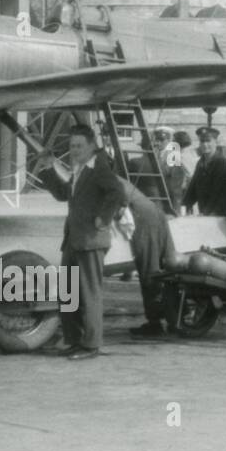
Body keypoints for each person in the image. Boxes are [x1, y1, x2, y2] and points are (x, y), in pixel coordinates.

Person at [35, 124, 127, 360]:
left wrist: (103, 219)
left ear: (91, 146)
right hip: (74, 240)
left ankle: (91, 345)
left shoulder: (99, 168)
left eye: (79, 146)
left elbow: (117, 192)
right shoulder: (81, 169)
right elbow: (63, 194)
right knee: (68, 293)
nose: (74, 150)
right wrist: (47, 170)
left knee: (89, 293)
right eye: (72, 146)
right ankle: (73, 339)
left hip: (90, 240)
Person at [119, 178, 178, 339]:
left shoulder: (98, 176)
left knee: (150, 272)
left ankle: (156, 323)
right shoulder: (107, 176)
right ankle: (175, 318)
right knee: (165, 269)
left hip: (145, 219)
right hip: (153, 213)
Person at [181, 126, 226, 216]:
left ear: (216, 142)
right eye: (202, 141)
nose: (205, 144)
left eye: (208, 141)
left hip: (217, 213)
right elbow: (193, 186)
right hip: (204, 211)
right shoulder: (201, 162)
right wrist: (186, 204)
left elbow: (223, 192)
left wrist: (212, 212)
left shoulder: (222, 162)